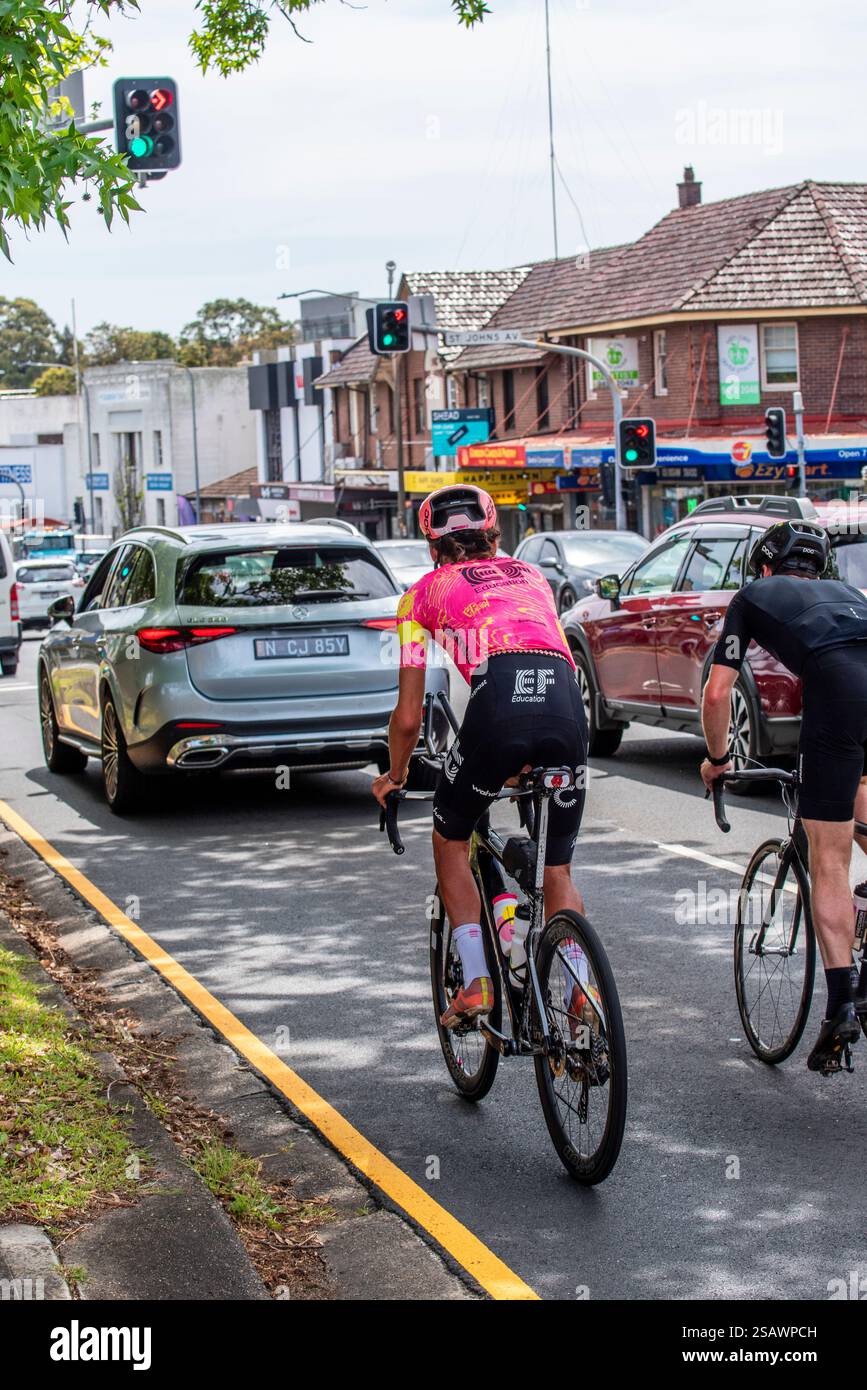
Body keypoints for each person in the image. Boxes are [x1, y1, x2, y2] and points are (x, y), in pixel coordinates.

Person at [371, 485, 588, 1028]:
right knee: (556, 866)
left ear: (431, 547)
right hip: (565, 702)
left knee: (449, 839)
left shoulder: (420, 596)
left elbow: (408, 718)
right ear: (494, 536)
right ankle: (585, 992)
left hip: (500, 704)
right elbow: (549, 656)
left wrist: (393, 776)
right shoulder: (531, 576)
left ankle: (476, 984)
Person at [701, 518, 867, 1073]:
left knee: (830, 858)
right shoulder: (849, 593)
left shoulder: (752, 595)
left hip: (839, 692)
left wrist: (719, 759)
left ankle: (843, 1003)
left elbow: (718, 691)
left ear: (766, 567)